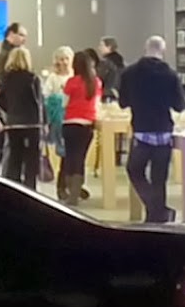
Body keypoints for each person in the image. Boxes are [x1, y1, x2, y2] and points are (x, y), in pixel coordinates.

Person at [117, 36, 185, 223]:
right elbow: (179, 105)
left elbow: (123, 102)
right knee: (159, 179)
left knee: (134, 170)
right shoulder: (170, 75)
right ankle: (158, 215)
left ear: (145, 49)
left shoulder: (129, 73)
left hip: (141, 131)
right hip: (163, 131)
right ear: (162, 51)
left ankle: (156, 212)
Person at [0, 47, 44, 189]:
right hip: (31, 123)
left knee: (15, 156)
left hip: (13, 123)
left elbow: (0, 99)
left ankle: (15, 187)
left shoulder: (5, 79)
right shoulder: (33, 78)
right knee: (31, 159)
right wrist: (43, 122)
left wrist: (10, 112)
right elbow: (39, 102)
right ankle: (31, 188)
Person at [60, 49, 101, 203]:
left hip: (69, 124)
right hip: (86, 125)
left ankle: (71, 190)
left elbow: (64, 103)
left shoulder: (71, 82)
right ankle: (75, 192)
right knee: (80, 158)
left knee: (70, 157)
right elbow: (97, 105)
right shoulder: (95, 82)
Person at [44, 47, 74, 178]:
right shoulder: (53, 77)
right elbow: (46, 94)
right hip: (57, 116)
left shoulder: (74, 76)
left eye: (67, 58)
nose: (64, 62)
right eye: (61, 59)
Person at [0, 22, 29, 86]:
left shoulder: (23, 55)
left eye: (25, 36)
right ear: (11, 35)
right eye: (21, 35)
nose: (24, 39)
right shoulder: (1, 58)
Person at [97, 38, 126, 102]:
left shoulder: (105, 63)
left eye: (101, 45)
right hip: (118, 94)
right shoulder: (122, 63)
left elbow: (98, 78)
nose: (99, 48)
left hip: (106, 94)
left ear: (109, 47)